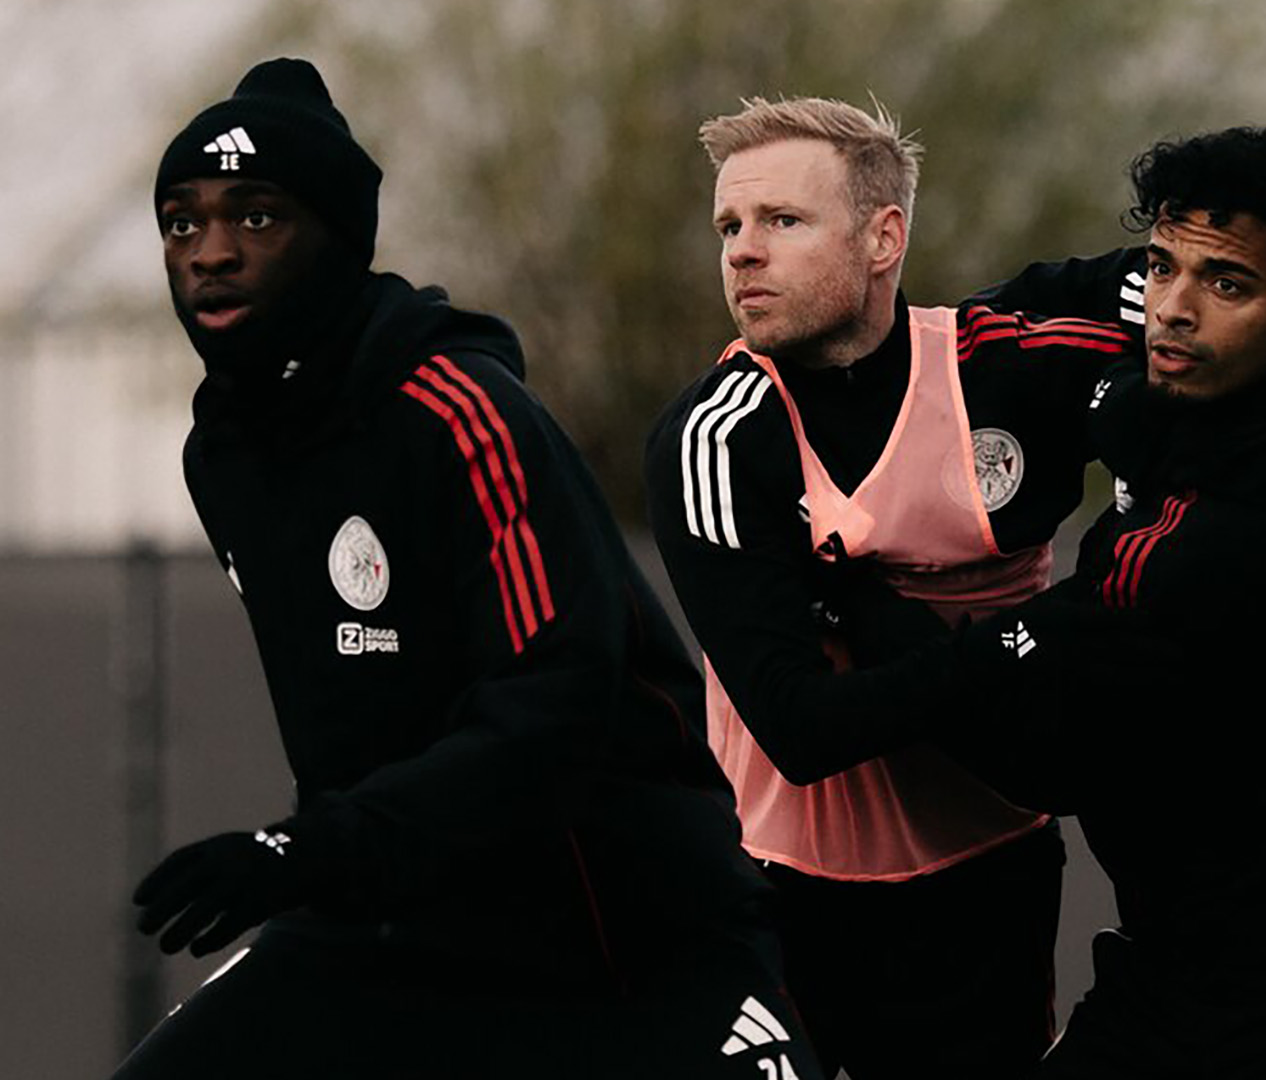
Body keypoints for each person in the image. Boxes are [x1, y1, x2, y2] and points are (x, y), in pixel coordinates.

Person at [120, 58, 818, 1080]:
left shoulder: (459, 411)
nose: (210, 253)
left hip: (622, 935)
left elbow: (554, 704)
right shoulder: (223, 455)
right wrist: (333, 859)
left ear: (338, 236)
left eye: (256, 218)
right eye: (182, 222)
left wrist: (302, 851)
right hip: (390, 924)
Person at [818, 126, 1266, 1078]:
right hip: (1174, 975)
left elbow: (1043, 755)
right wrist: (929, 354)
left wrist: (857, 601)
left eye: (1225, 286)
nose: (1171, 310)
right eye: (1167, 265)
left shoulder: (1213, 549)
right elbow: (1091, 287)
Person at [645, 96, 1134, 1080]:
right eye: (729, 226)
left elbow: (1206, 309)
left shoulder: (1002, 370)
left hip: (990, 873)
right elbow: (802, 728)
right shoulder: (716, 436)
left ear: (884, 237)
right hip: (785, 896)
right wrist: (1027, 641)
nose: (742, 251)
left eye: (782, 221)